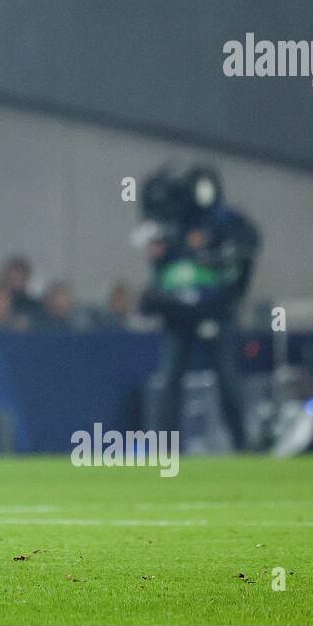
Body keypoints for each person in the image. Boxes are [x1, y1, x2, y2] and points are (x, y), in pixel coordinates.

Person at [138, 166, 259, 450]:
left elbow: (249, 244)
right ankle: (165, 448)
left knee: (227, 378)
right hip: (178, 317)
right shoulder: (169, 226)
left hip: (214, 312)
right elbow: (159, 270)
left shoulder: (222, 221)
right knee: (171, 380)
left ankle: (242, 443)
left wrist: (225, 262)